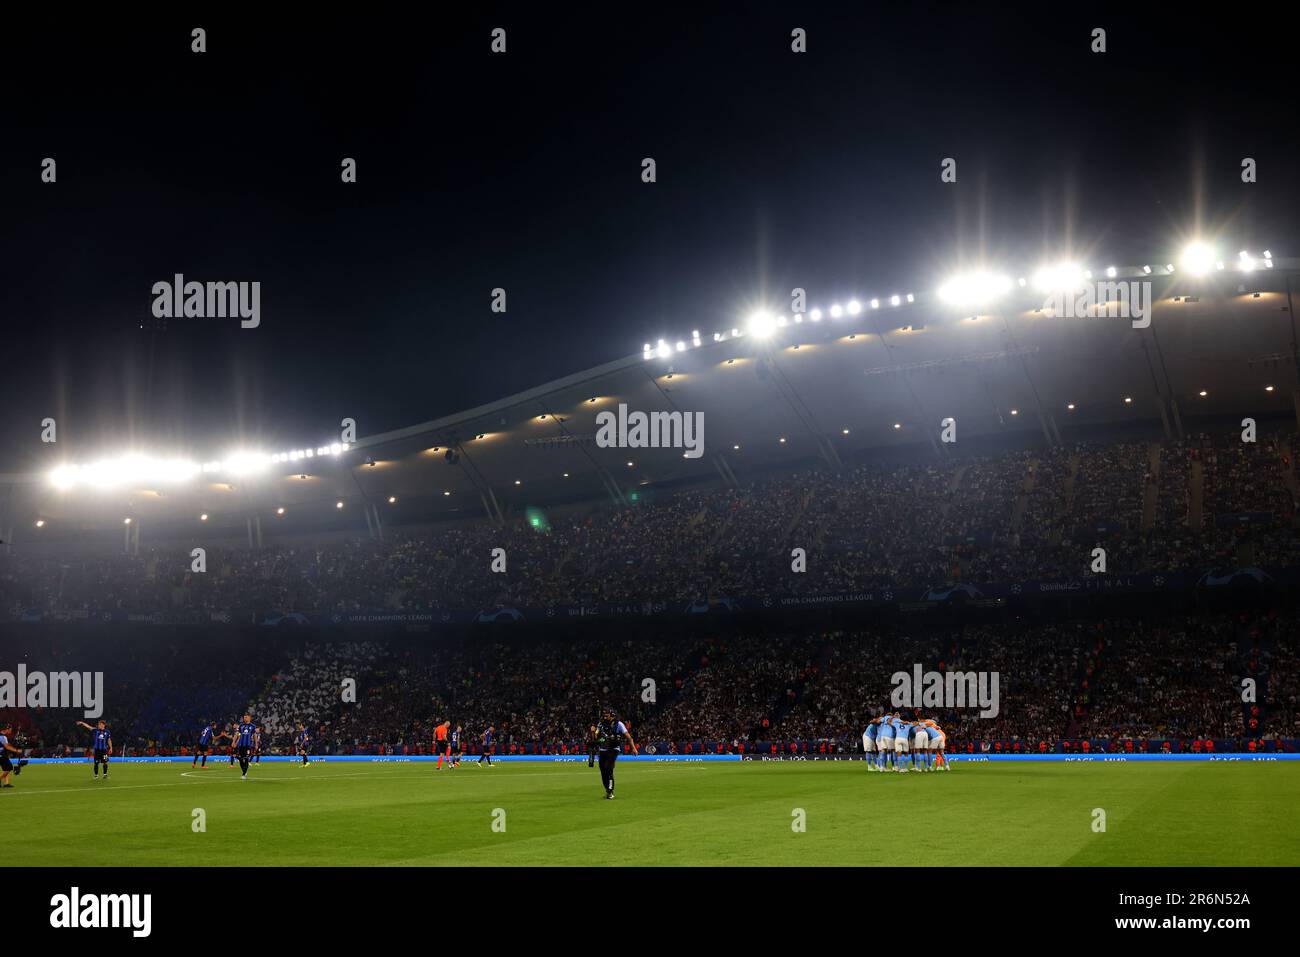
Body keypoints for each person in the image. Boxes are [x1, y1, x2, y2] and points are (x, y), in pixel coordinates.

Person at [592, 707, 637, 799]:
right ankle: (607, 790)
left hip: (613, 749)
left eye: (606, 715)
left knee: (608, 768)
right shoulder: (600, 724)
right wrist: (593, 732)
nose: (605, 717)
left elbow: (628, 737)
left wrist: (633, 748)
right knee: (603, 771)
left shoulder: (619, 724)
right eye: (604, 715)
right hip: (603, 749)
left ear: (611, 715)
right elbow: (595, 738)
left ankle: (610, 791)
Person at [233, 713, 257, 780]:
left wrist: (256, 744)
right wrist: (233, 741)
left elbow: (254, 735)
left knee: (246, 758)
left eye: (246, 717)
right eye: (244, 717)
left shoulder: (252, 726)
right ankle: (244, 771)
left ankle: (244, 774)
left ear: (249, 718)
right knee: (240, 759)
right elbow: (237, 734)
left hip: (247, 745)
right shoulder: (241, 725)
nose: (245, 718)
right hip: (240, 745)